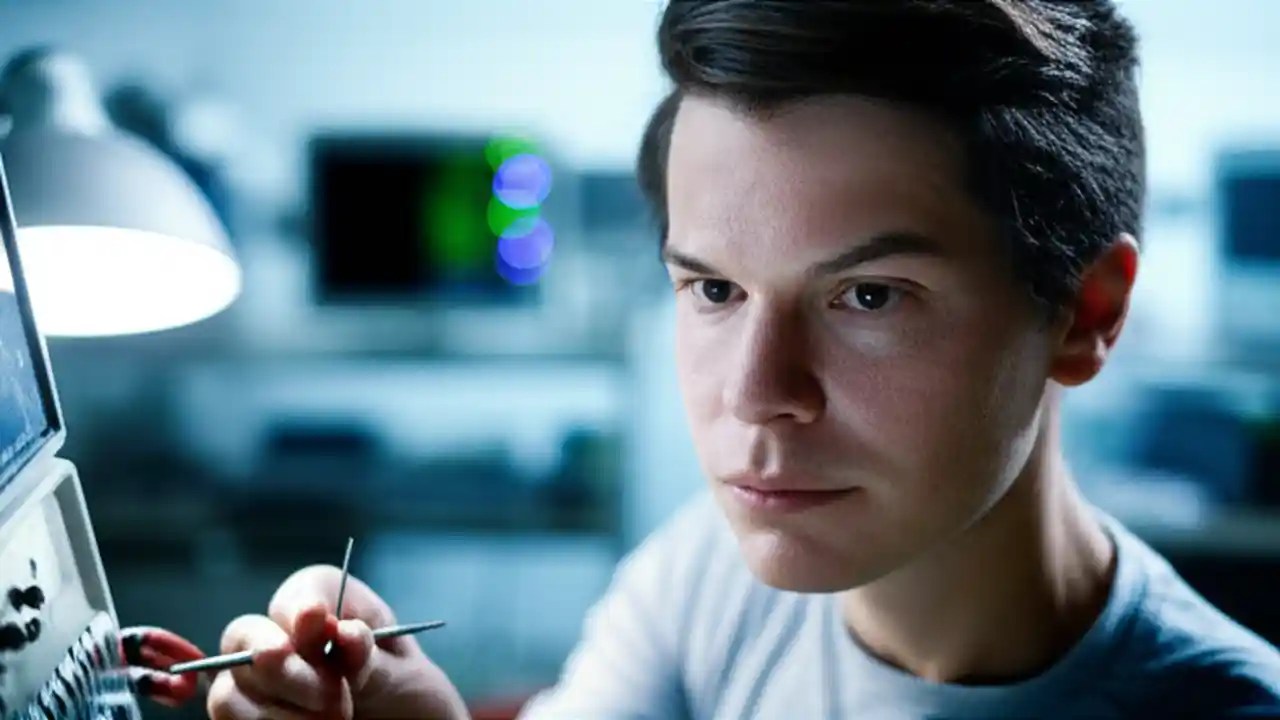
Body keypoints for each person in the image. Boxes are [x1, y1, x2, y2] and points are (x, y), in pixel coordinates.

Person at [207, 1, 1280, 718]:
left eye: (867, 297)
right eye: (713, 289)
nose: (754, 397)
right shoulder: (704, 578)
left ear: (1084, 313)